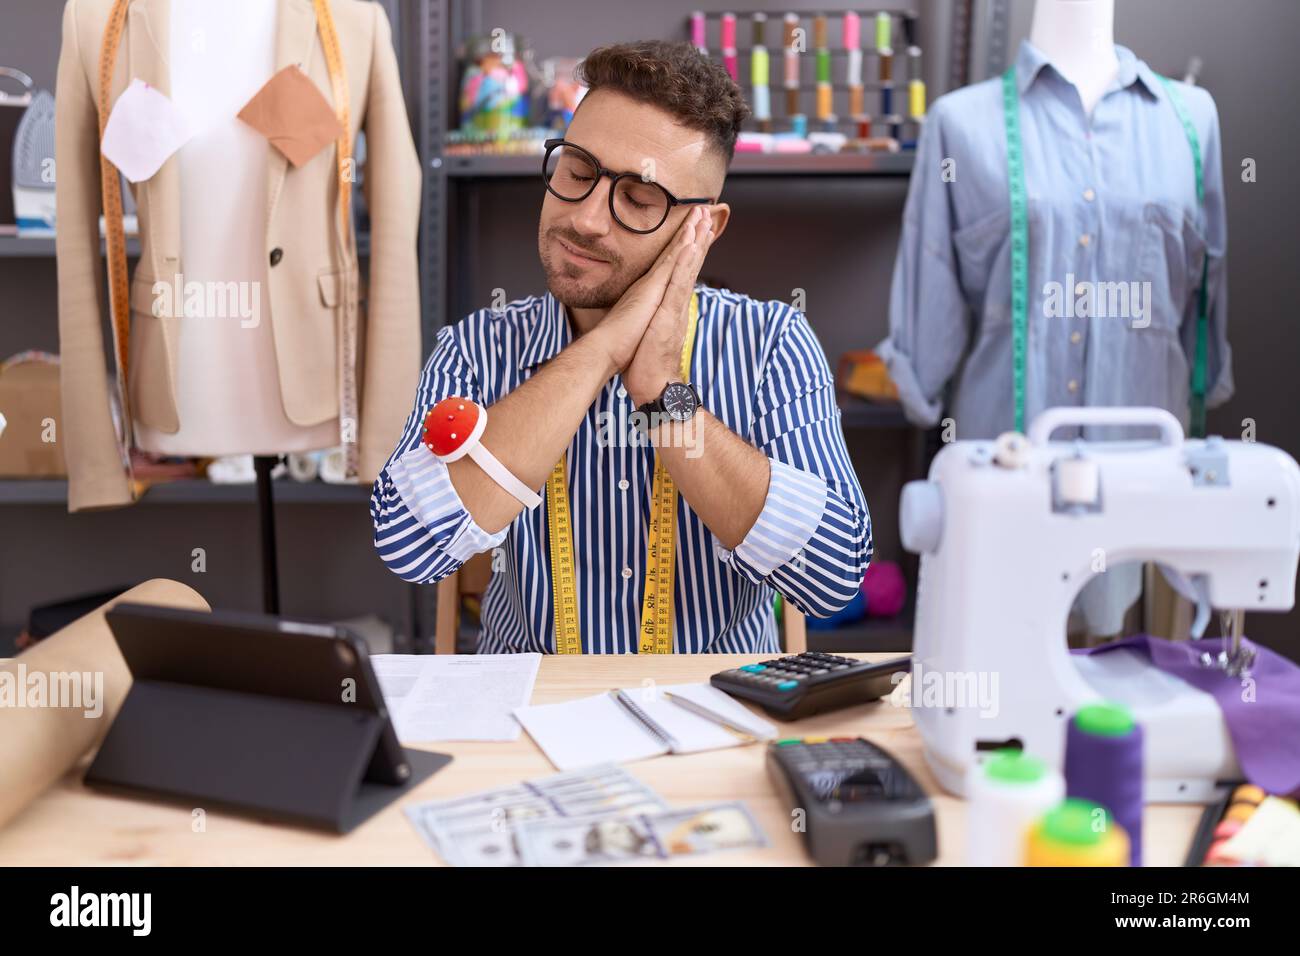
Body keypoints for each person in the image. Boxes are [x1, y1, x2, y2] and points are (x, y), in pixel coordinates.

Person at [371, 41, 871, 653]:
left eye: (638, 198)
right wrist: (602, 350)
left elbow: (832, 576)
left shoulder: (769, 344)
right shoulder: (477, 347)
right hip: (529, 717)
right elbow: (407, 544)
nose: (586, 219)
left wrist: (663, 396)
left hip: (714, 720)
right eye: (577, 172)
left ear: (704, 227)